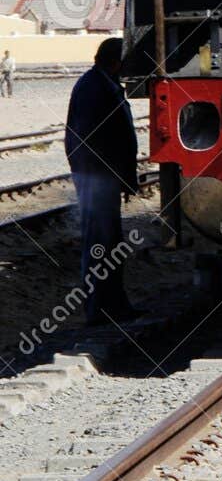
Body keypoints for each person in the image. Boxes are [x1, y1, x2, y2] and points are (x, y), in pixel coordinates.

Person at [64, 39, 139, 325]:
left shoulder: (100, 83)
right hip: (97, 178)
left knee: (109, 243)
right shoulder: (95, 88)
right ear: (116, 62)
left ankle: (115, 307)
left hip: (102, 177)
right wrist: (109, 176)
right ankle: (98, 311)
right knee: (99, 244)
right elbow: (95, 139)